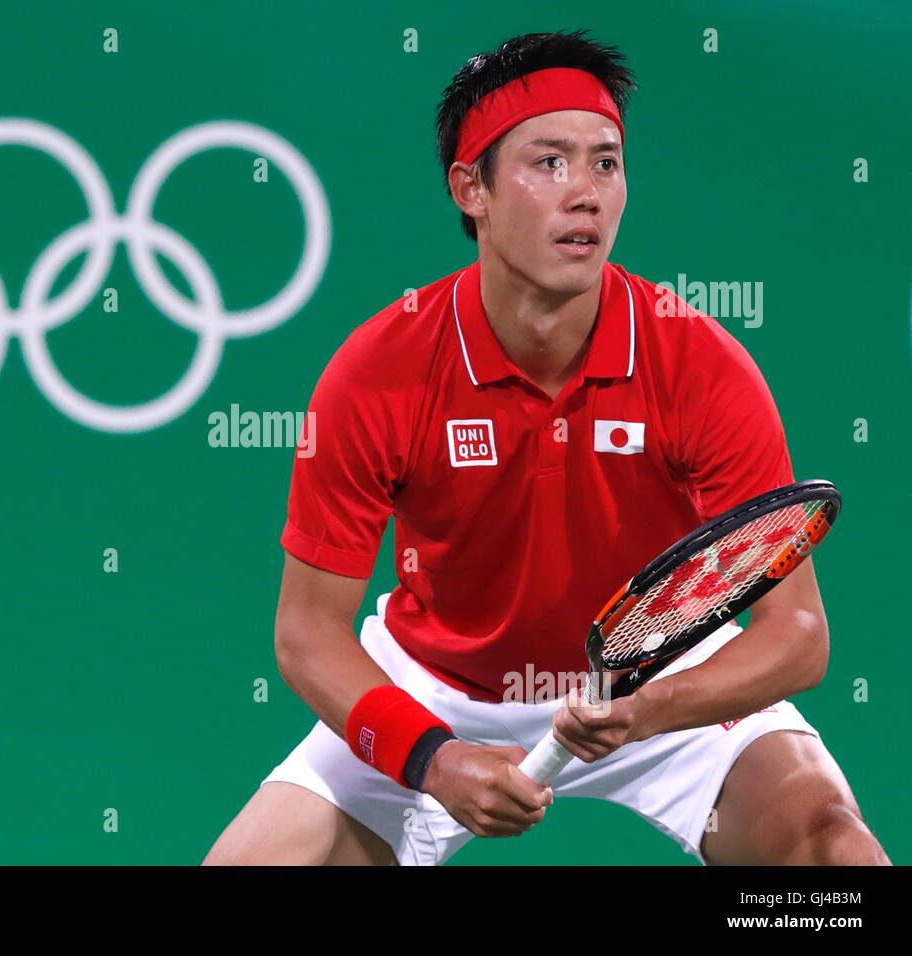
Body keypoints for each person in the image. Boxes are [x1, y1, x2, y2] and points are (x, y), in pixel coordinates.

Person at [203, 30, 890, 866]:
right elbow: (307, 634)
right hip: (436, 691)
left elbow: (799, 634)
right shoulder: (380, 370)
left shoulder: (699, 364)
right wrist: (433, 756)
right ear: (471, 190)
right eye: (549, 162)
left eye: (605, 163)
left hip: (653, 681)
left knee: (831, 856)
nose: (586, 194)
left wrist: (650, 709)